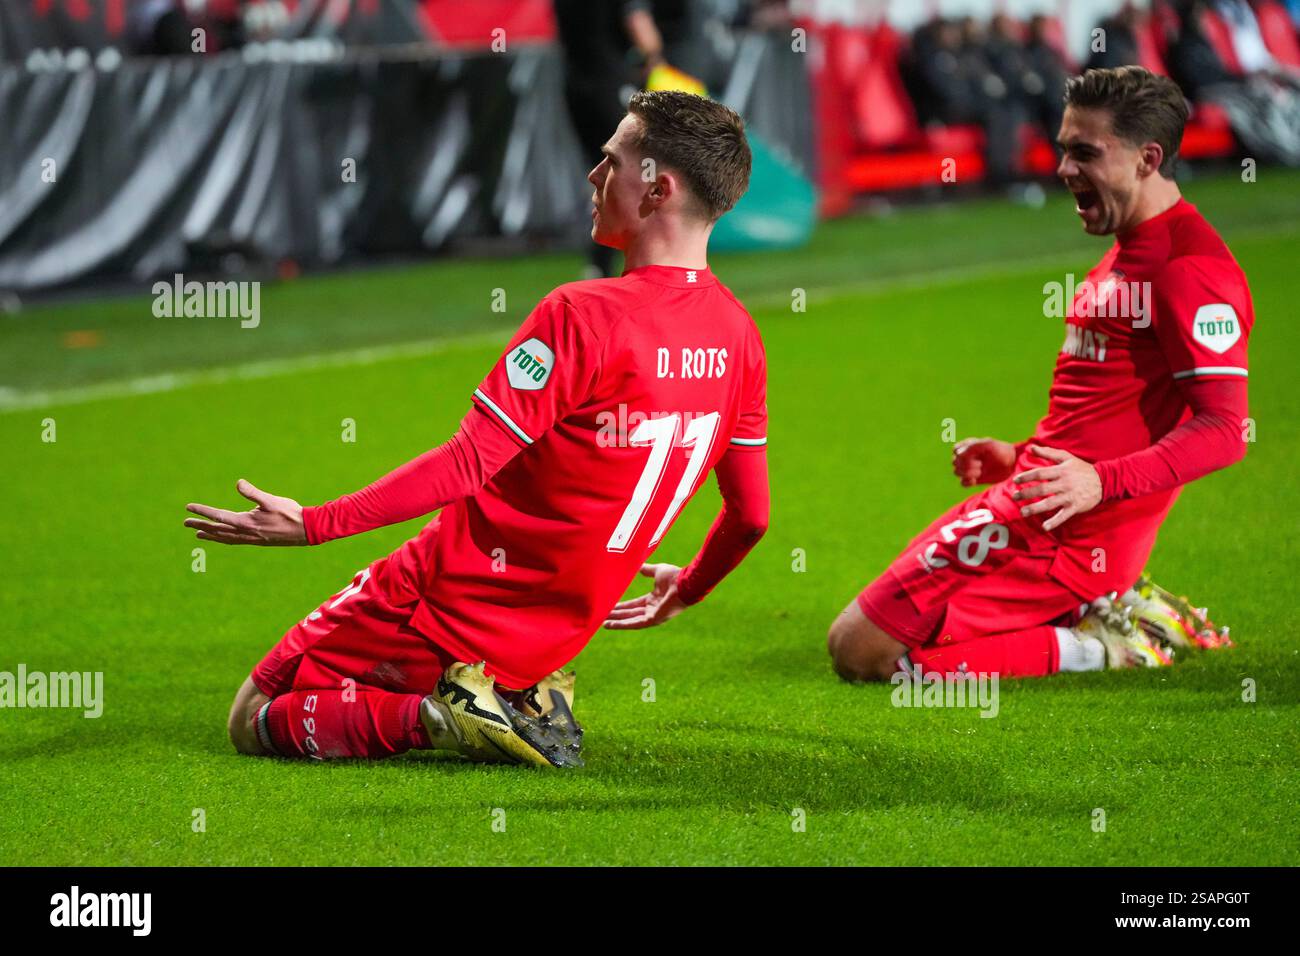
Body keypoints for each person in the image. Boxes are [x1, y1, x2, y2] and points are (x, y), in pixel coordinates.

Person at [186, 91, 769, 766]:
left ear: (658, 188)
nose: (593, 176)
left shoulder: (583, 313)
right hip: (544, 641)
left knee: (255, 713)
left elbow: (467, 464)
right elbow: (751, 517)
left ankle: (444, 715)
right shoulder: (740, 338)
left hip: (443, 601)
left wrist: (316, 522)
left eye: (611, 161)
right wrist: (688, 587)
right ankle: (513, 696)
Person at [828, 66, 1249, 682]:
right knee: (856, 638)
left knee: (866, 654)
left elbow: (1224, 429)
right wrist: (1019, 453)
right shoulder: (1129, 243)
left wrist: (1099, 484)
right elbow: (1103, 407)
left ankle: (1111, 644)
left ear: (1147, 159)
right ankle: (1091, 610)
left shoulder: (1189, 270)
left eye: (1085, 153)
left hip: (1074, 537)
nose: (1063, 169)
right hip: (1036, 498)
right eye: (1063, 149)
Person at [554, 0, 668, 279]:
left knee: (599, 172)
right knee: (635, 169)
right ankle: (644, 256)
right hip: (612, 82)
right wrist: (655, 58)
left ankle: (599, 261)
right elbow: (642, 31)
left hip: (575, 85)